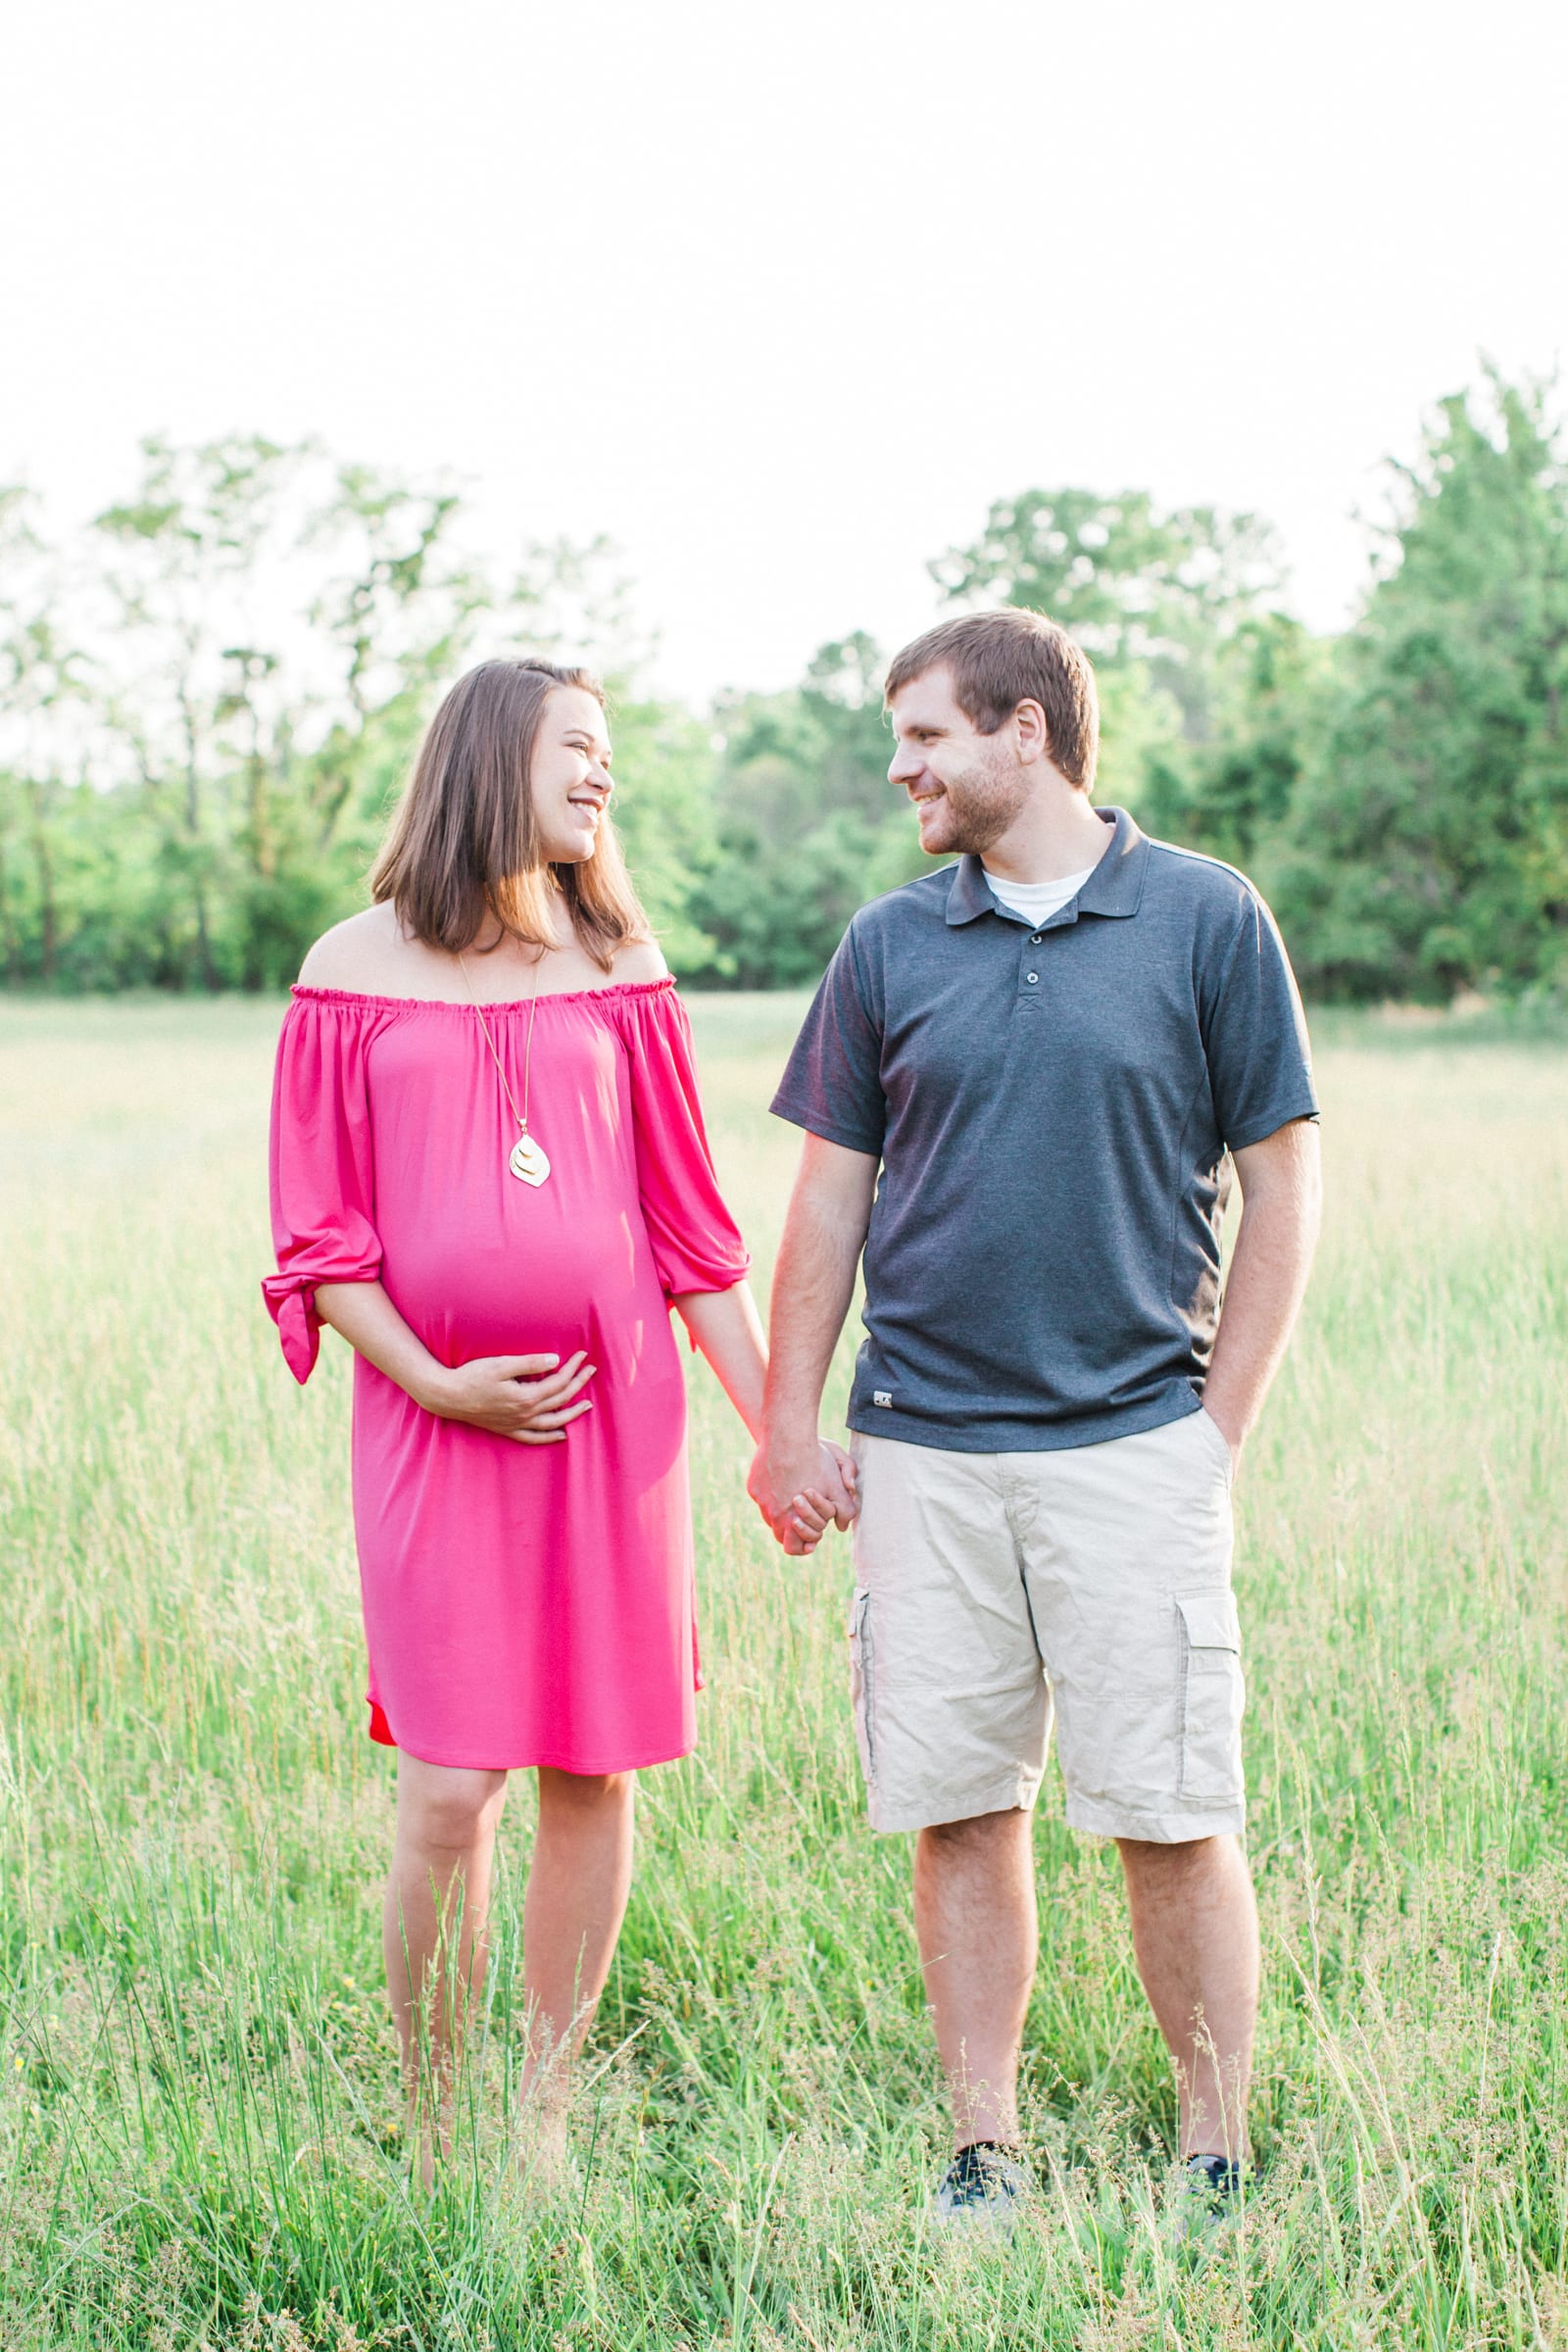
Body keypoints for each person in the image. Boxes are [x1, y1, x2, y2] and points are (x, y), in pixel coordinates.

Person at [749, 608, 1322, 2233]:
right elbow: (829, 1199)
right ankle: (983, 2149)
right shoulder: (887, 946)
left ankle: (1213, 2153)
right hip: (925, 1447)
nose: (899, 764)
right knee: (959, 1806)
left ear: (1024, 733)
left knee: (1171, 1809)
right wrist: (789, 1423)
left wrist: (1216, 1430)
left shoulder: (1206, 918)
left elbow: (1285, 1176)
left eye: (924, 734)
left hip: (1135, 1445)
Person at [264, 657, 838, 2176]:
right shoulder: (346, 968)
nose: (603, 777)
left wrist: (779, 1433)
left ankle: (543, 2112)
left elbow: (693, 1239)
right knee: (449, 1787)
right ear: (487, 756)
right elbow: (320, 1247)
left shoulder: (620, 965)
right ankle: (434, 2113)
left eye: (610, 757)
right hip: (433, 1424)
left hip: (612, 1430)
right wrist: (440, 1378)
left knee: (591, 1768)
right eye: (578, 749)